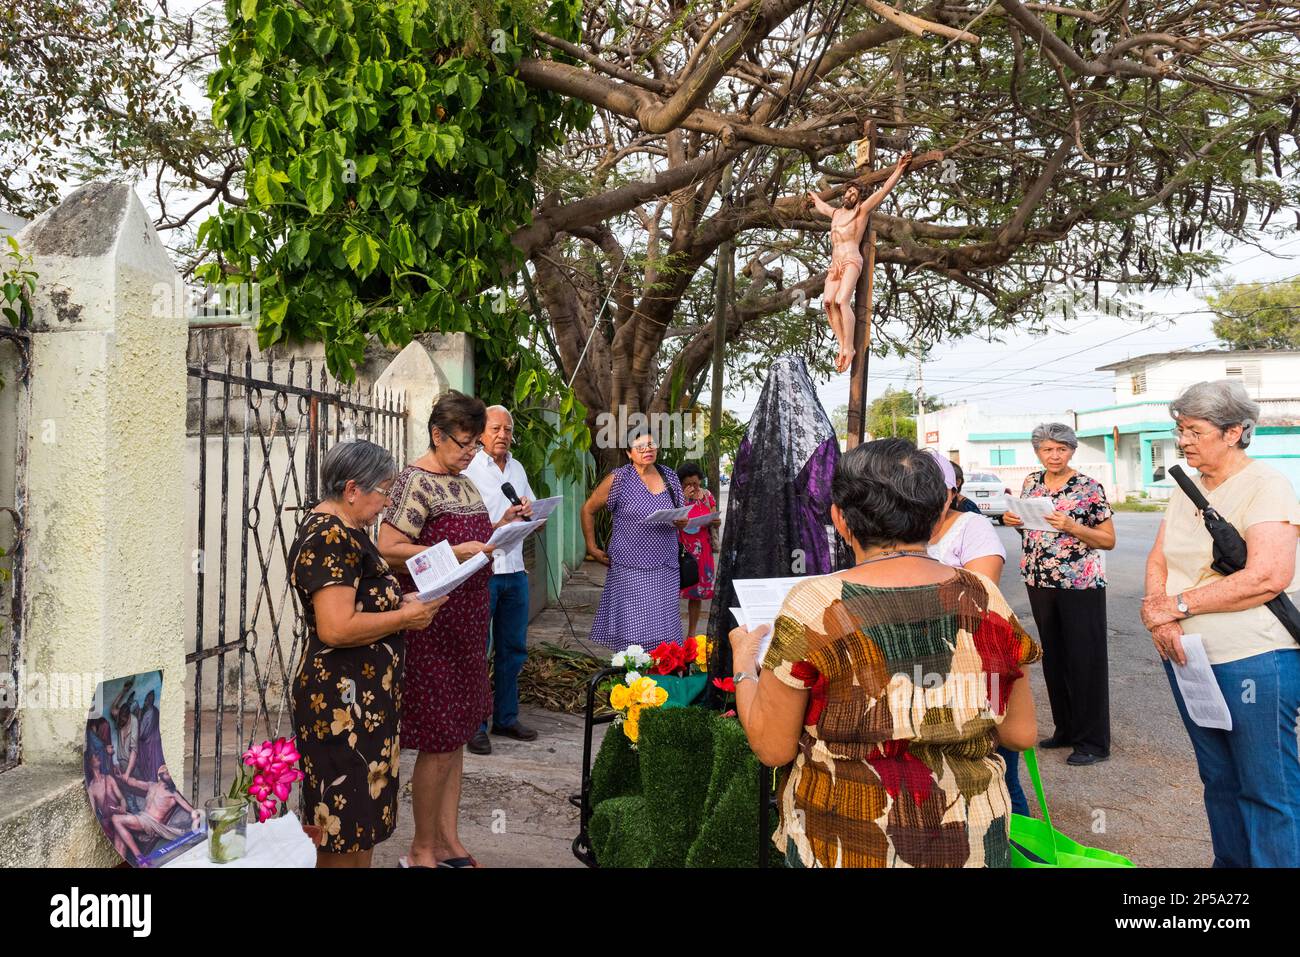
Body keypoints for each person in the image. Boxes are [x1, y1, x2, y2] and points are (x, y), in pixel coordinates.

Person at [730, 438, 1041, 867]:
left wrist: (744, 665)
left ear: (840, 518)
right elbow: (1021, 734)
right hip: (971, 842)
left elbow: (772, 747)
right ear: (937, 518)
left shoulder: (815, 604)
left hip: (844, 842)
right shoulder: (983, 595)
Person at [1141, 380, 1300, 867]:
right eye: (1179, 429)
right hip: (1190, 659)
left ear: (1234, 432)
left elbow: (1268, 576)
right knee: (1219, 780)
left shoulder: (1266, 485)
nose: (1183, 440)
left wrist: (1178, 607)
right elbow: (1160, 559)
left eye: (1194, 430)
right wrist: (1158, 613)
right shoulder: (1187, 486)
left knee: (1266, 786)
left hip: (1253, 658)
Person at [290, 440, 444, 867]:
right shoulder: (329, 536)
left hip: (367, 705)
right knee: (340, 830)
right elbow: (336, 627)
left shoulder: (350, 531)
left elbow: (363, 604)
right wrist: (404, 620)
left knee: (363, 824)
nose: (388, 502)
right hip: (342, 707)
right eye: (384, 491)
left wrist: (403, 604)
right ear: (353, 489)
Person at [378, 391, 496, 868]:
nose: (471, 453)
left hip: (468, 627)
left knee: (459, 737)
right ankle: (420, 850)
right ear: (437, 435)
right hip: (432, 626)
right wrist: (453, 550)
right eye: (465, 443)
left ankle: (448, 841)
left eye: (476, 445)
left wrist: (503, 528)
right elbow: (388, 548)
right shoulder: (415, 481)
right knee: (438, 740)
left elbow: (470, 543)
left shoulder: (463, 482)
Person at [921, 449, 1028, 816]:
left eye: (937, 489)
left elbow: (980, 595)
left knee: (996, 766)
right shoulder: (903, 528)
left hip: (977, 657)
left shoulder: (973, 526)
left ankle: (1018, 847)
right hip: (925, 665)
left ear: (954, 493)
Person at [1004, 422, 1116, 766]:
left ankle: (1093, 742)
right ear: (1038, 452)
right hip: (1039, 580)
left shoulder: (1087, 487)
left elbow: (1108, 539)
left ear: (1072, 450)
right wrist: (1014, 519)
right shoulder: (1031, 483)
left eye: (1061, 449)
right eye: (1048, 449)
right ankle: (1065, 728)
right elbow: (1030, 526)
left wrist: (1073, 527)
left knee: (1085, 660)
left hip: (1079, 583)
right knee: (1054, 657)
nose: (1055, 455)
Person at [464, 405, 541, 755]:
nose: (502, 436)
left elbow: (534, 510)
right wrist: (502, 519)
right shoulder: (469, 469)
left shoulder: (518, 467)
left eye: (507, 430)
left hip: (515, 571)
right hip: (483, 570)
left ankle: (506, 717)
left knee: (513, 648)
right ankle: (475, 725)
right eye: (496, 429)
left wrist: (529, 510)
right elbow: (465, 524)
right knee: (479, 648)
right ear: (481, 433)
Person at [582, 429, 689, 652]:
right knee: (632, 631)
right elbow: (588, 509)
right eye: (640, 447)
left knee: (663, 628)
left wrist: (681, 522)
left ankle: (660, 679)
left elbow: (681, 514)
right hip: (628, 568)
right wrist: (592, 547)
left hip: (664, 567)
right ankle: (632, 679)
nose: (647, 450)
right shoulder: (619, 479)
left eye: (651, 444)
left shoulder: (669, 476)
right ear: (629, 453)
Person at [805, 152, 910, 373]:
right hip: (835, 263)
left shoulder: (861, 212)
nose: (849, 195)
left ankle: (850, 347)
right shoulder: (835, 214)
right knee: (828, 303)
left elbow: (883, 191)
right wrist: (813, 197)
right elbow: (821, 206)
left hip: (852, 259)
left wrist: (898, 169)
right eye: (848, 192)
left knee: (842, 301)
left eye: (853, 193)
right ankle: (842, 344)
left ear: (858, 198)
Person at [112, 765, 203, 863]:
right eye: (164, 770)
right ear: (159, 774)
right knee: (118, 834)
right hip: (142, 818)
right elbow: (134, 782)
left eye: (169, 771)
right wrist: (121, 777)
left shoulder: (173, 794)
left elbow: (191, 810)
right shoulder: (151, 785)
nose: (166, 770)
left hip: (152, 824)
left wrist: (196, 817)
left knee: (116, 819)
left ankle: (140, 858)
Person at [676, 461, 720, 637]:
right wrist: (684, 499)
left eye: (695, 482)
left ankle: (691, 635)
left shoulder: (707, 496)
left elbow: (715, 518)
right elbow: (674, 517)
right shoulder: (678, 496)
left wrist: (715, 521)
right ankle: (673, 632)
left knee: (696, 594)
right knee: (676, 591)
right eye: (688, 483)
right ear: (682, 483)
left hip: (703, 550)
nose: (693, 486)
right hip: (683, 549)